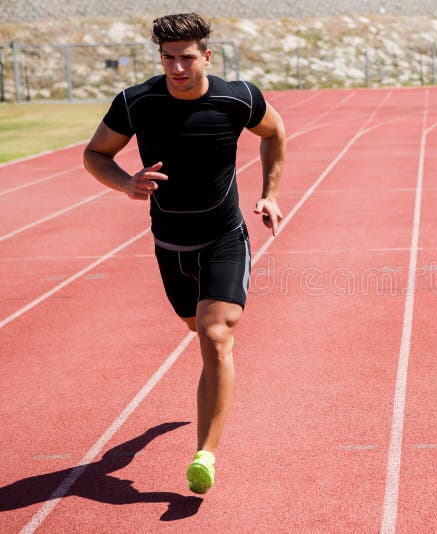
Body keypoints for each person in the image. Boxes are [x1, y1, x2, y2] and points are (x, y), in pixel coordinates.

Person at [83, 12, 286, 494]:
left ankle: (205, 455)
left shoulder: (238, 98)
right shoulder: (137, 103)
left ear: (206, 57)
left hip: (224, 236)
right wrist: (125, 183)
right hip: (169, 244)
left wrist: (270, 193)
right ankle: (207, 388)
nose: (177, 68)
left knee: (216, 336)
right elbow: (95, 155)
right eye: (168, 58)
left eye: (187, 58)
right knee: (196, 328)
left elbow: (275, 133)